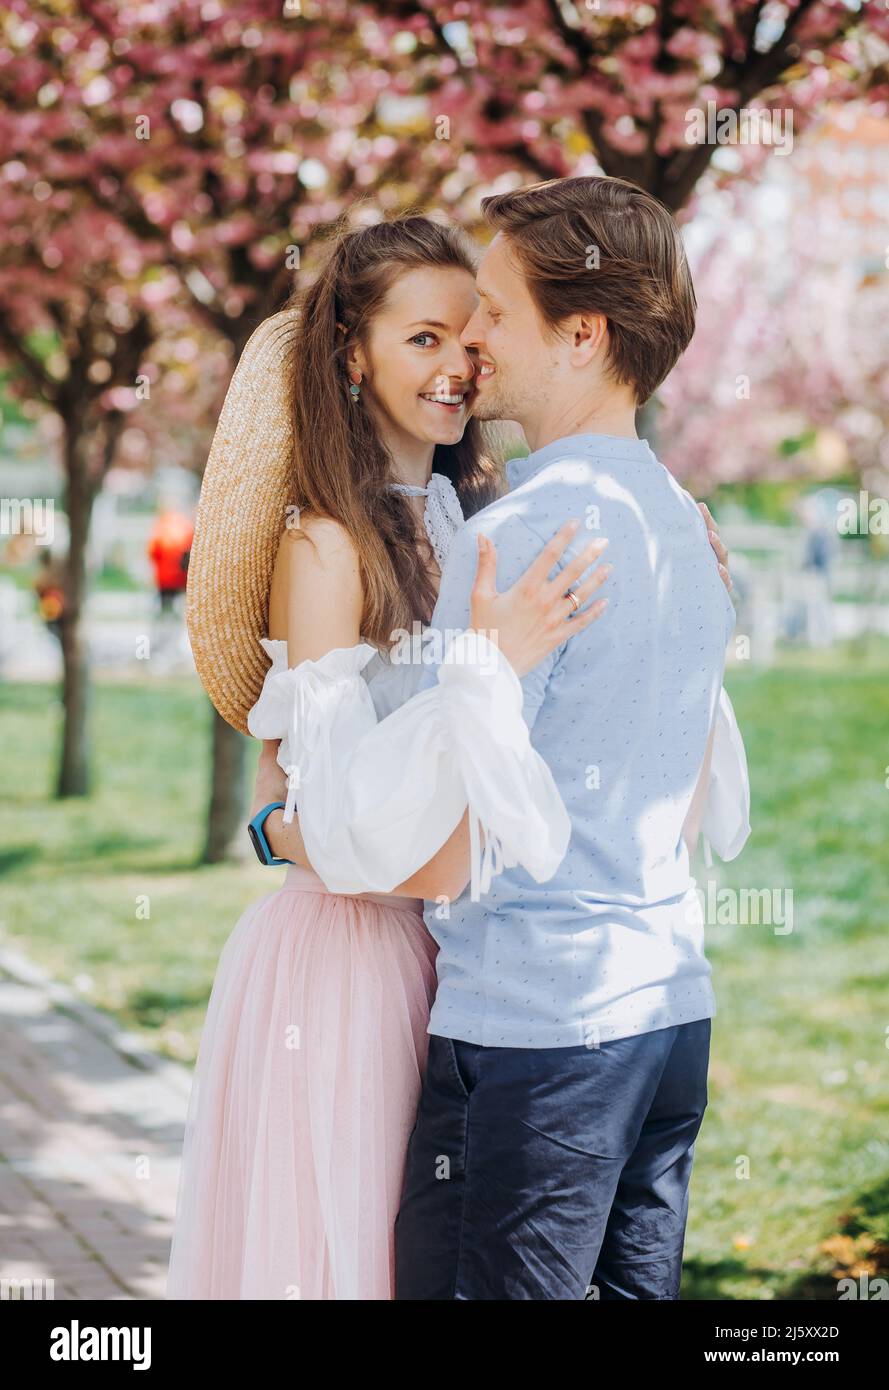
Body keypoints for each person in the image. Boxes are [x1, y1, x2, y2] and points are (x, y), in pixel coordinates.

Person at [172, 201, 745, 1300]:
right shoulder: (331, 542)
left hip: (473, 967)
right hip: (356, 954)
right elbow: (292, 774)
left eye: (475, 322)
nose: (464, 353)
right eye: (425, 336)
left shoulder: (488, 517)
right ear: (352, 355)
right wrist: (275, 828)